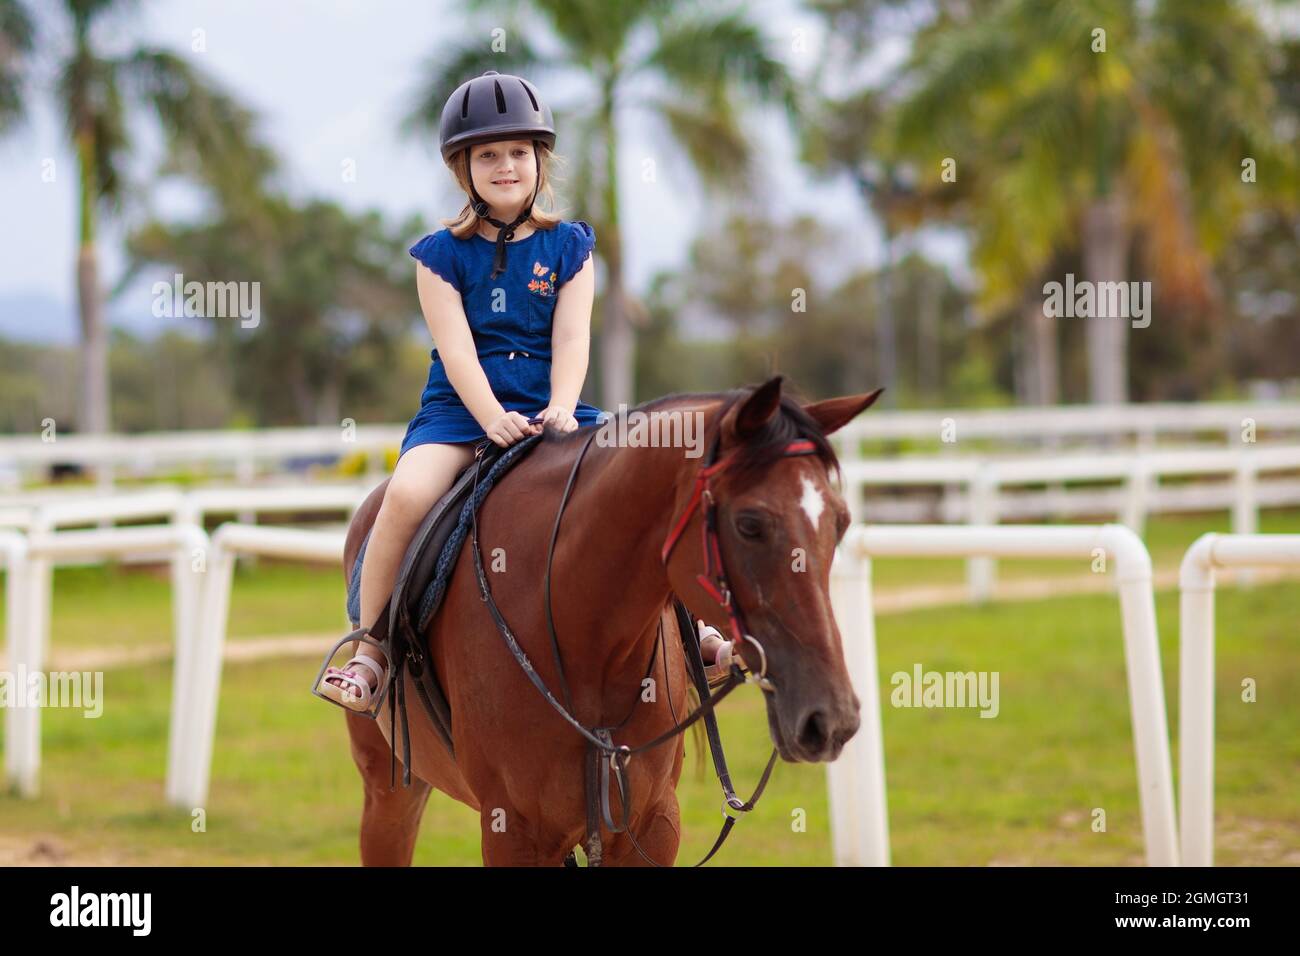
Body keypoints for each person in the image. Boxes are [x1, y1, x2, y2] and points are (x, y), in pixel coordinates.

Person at [314, 70, 608, 712]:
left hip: (553, 404)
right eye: (488, 155)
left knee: (637, 472)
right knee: (409, 493)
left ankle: (694, 629)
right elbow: (458, 352)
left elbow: (573, 340)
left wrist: (561, 406)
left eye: (518, 153)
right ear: (463, 169)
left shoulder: (571, 247)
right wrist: (493, 417)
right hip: (460, 412)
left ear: (540, 160)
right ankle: (371, 650)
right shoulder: (439, 257)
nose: (506, 166)